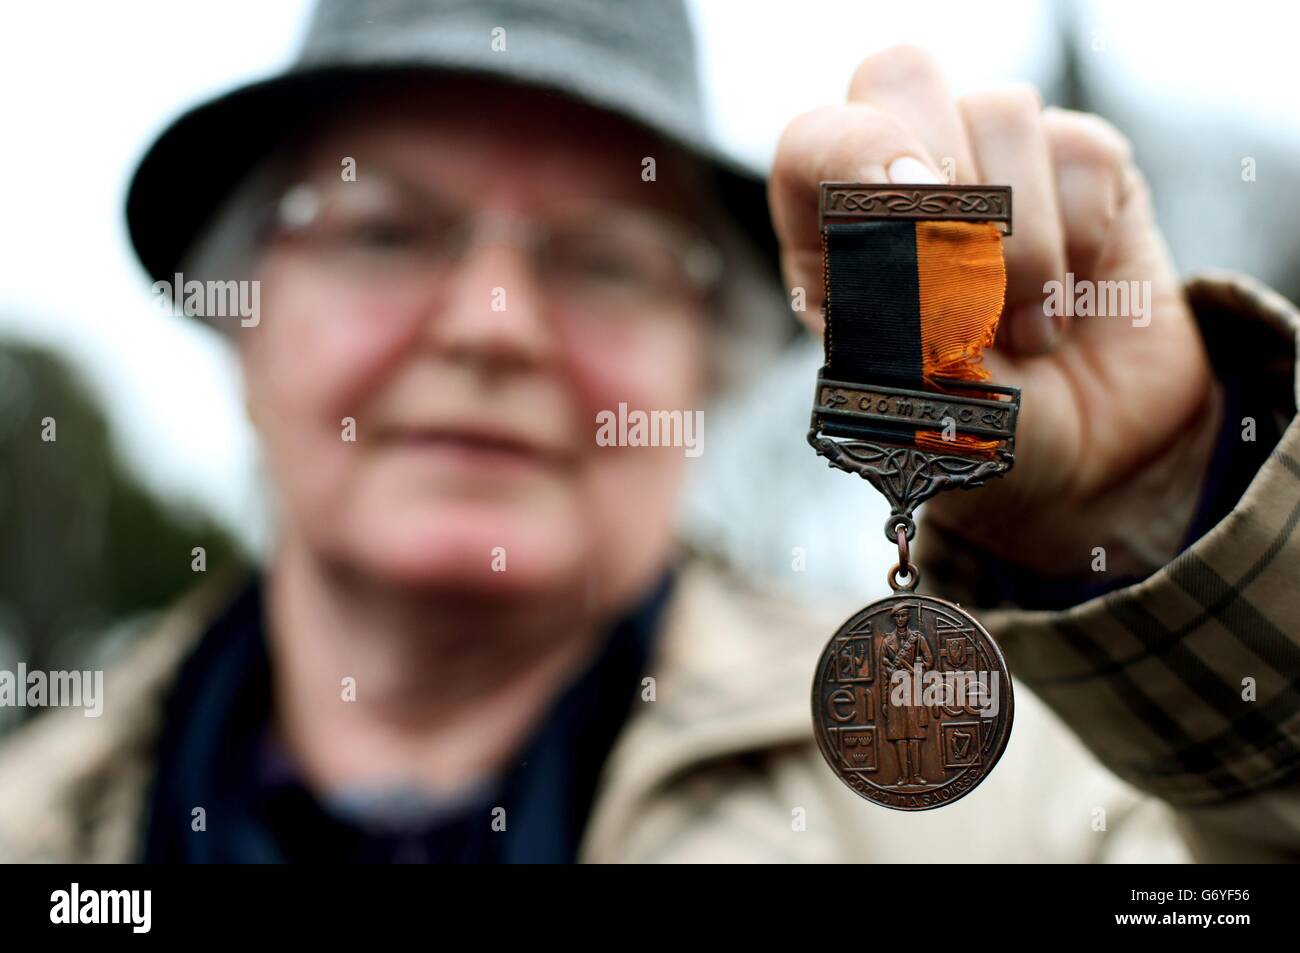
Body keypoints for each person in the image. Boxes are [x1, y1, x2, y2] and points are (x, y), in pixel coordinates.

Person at [1, 0, 1298, 863]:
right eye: (386, 230)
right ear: (245, 317)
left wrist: (1162, 517)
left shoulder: (1013, 804)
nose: (492, 325)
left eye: (605, 259)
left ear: (714, 359)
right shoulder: (34, 821)